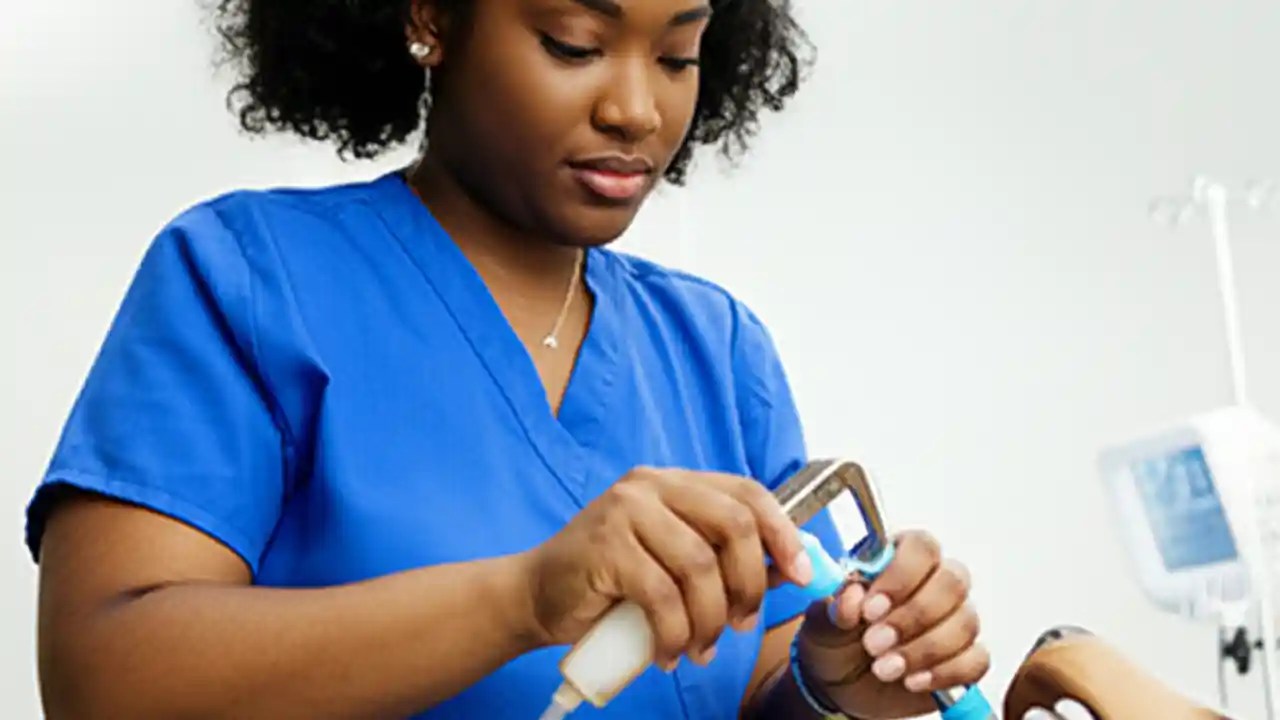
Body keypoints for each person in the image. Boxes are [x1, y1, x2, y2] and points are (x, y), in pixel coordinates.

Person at [24, 0, 989, 717]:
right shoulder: (248, 279)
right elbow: (105, 682)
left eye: (678, 55)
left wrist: (834, 681)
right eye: (574, 43)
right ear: (432, 19)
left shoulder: (717, 350)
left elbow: (749, 687)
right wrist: (521, 600)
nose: (636, 109)